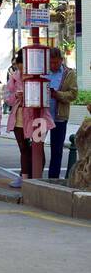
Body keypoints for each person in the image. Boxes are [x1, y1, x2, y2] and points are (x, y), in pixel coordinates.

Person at [45, 49, 79, 179]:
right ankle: (35, 174)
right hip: (42, 115)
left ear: (61, 60)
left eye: (55, 62)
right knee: (36, 145)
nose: (53, 65)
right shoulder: (43, 72)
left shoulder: (69, 74)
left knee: (56, 150)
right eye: (51, 63)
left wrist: (57, 94)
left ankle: (53, 177)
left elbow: (73, 94)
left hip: (59, 116)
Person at [5, 55, 29, 190]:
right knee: (23, 148)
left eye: (19, 64)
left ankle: (33, 175)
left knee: (36, 148)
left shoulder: (36, 75)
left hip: (34, 116)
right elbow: (7, 98)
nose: (18, 67)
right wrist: (15, 96)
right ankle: (24, 176)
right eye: (16, 65)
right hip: (18, 116)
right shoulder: (14, 77)